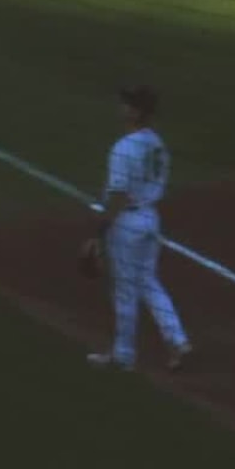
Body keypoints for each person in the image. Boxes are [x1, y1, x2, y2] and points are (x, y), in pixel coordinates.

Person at [88, 85, 194, 370]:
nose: (120, 108)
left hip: (128, 223)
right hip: (150, 218)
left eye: (126, 104)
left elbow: (119, 195)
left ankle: (123, 356)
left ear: (135, 111)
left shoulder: (123, 148)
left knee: (125, 290)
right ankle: (178, 340)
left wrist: (99, 232)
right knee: (148, 280)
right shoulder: (157, 143)